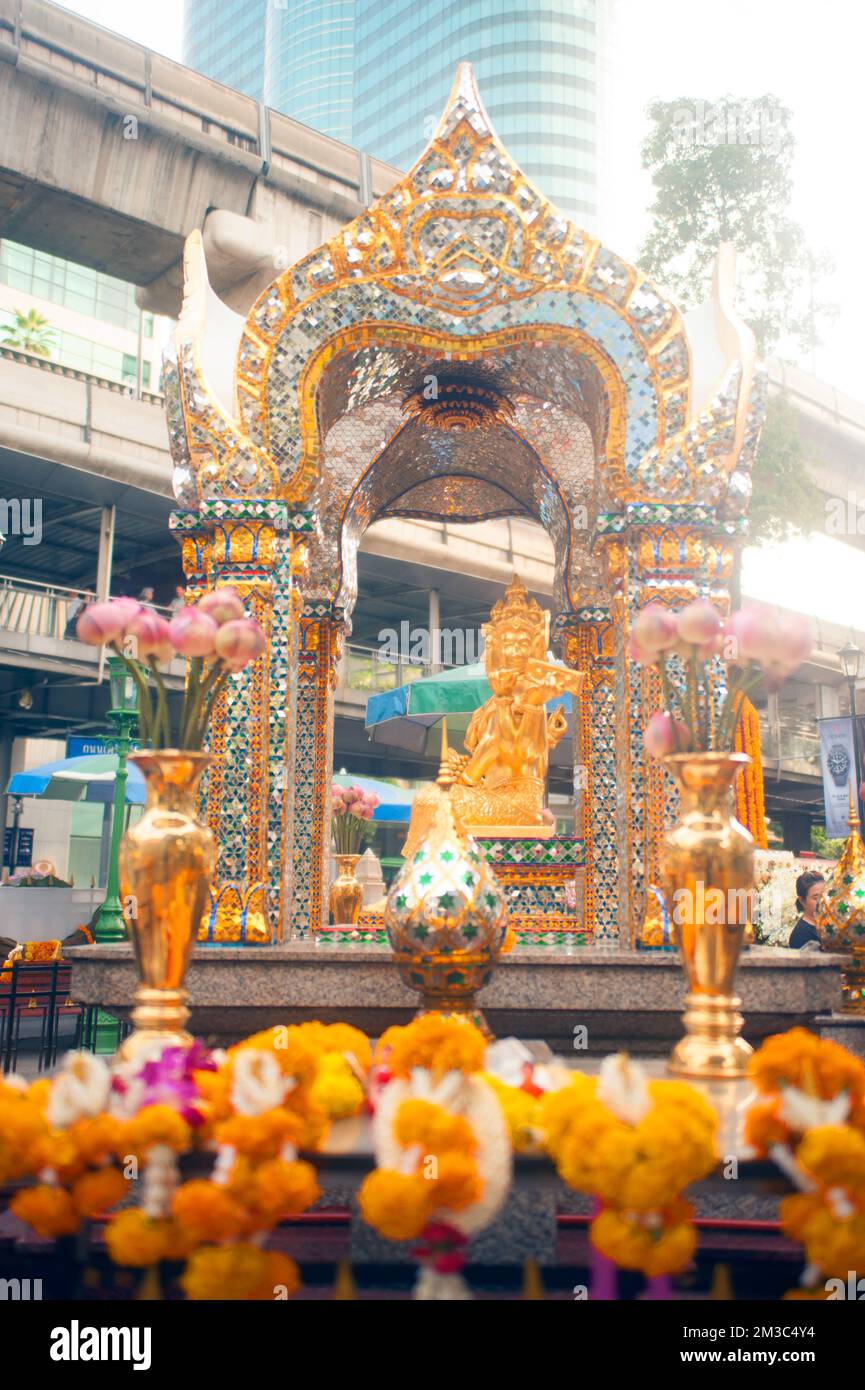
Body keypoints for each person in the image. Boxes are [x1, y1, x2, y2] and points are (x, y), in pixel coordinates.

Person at [789, 871, 826, 948]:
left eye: (825, 895)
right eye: (816, 898)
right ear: (802, 900)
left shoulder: (828, 924)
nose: (823, 900)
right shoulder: (801, 935)